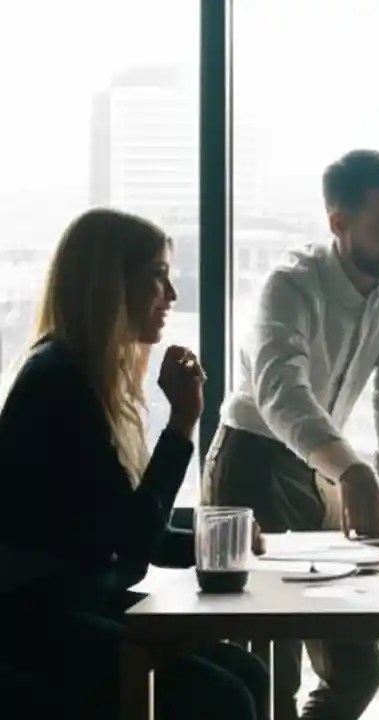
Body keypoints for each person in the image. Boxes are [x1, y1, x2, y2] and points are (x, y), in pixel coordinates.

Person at [204, 149, 379, 719]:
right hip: (253, 461)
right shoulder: (290, 285)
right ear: (338, 224)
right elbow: (279, 393)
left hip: (325, 467)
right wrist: (354, 469)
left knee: (357, 666)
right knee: (271, 676)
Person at [0, 208, 267, 719]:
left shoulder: (73, 375)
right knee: (224, 696)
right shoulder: (58, 385)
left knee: (247, 674)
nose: (171, 296)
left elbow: (120, 529)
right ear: (110, 284)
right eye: (158, 275)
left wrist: (216, 547)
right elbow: (131, 540)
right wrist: (183, 425)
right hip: (34, 621)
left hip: (67, 606)